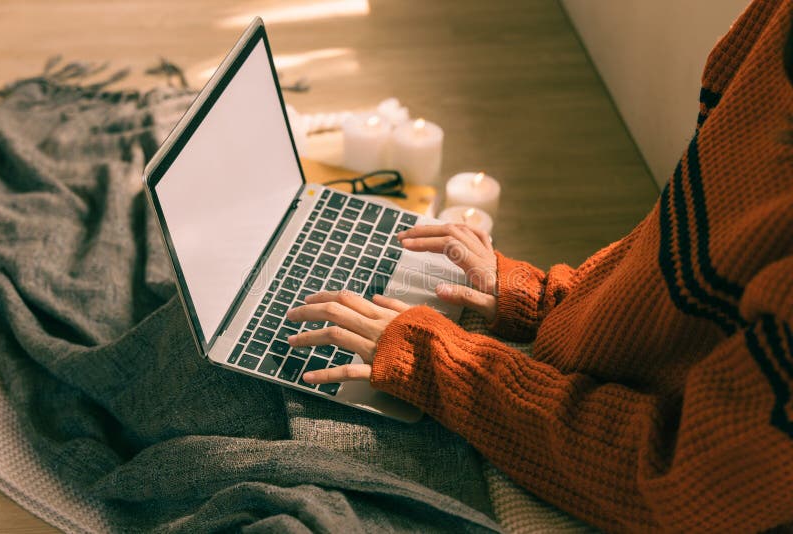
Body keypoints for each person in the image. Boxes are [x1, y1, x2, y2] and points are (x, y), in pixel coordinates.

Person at [286, 0, 793, 531]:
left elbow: (682, 490)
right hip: (577, 393)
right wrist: (550, 297)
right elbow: (693, 255)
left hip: (618, 482)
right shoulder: (775, 21)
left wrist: (437, 362)